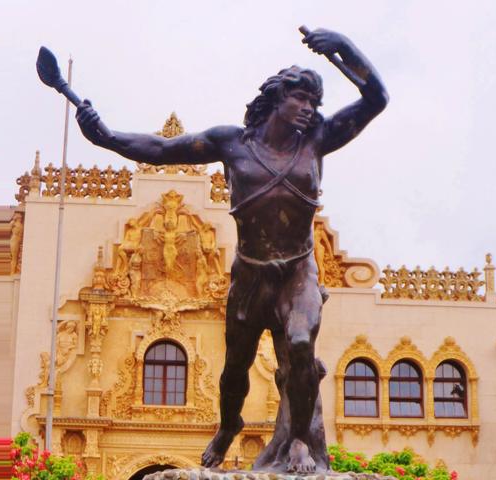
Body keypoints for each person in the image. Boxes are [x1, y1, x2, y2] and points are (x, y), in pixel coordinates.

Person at [76, 28, 387, 473]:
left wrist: (341, 45)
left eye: (314, 103)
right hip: (251, 274)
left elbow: (376, 98)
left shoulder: (317, 142)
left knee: (300, 344)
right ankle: (227, 425)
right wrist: (105, 136)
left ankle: (299, 441)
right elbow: (162, 149)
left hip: (298, 272)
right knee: (235, 369)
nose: (308, 109)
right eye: (300, 98)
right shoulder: (233, 144)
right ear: (277, 99)